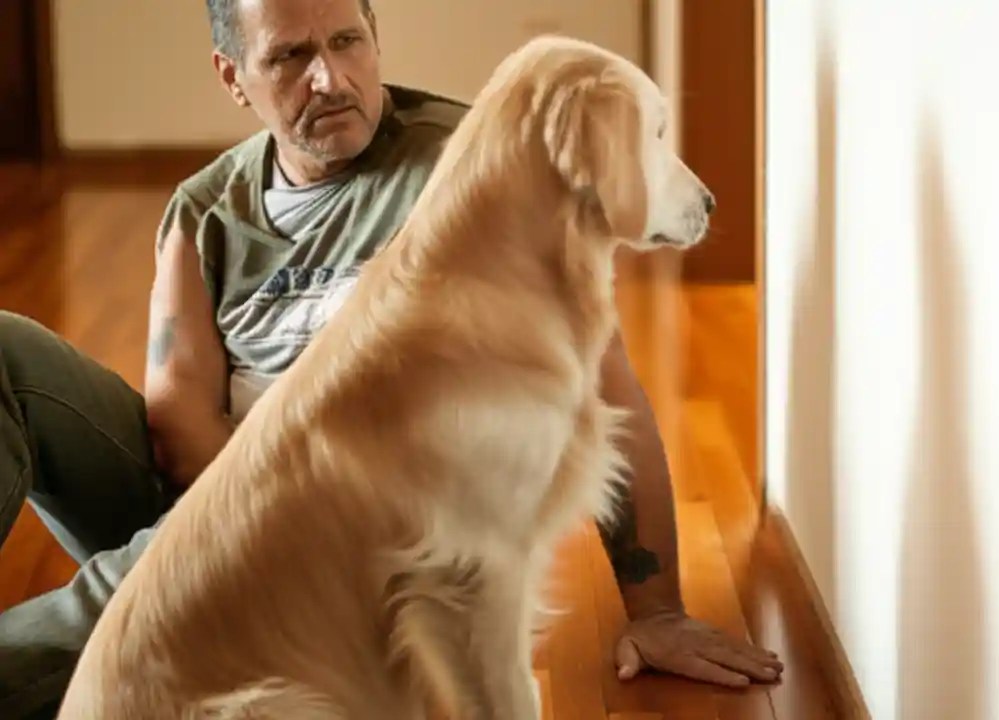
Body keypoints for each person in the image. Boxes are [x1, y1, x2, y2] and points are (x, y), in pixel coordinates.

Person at [0, 0, 783, 716]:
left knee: (93, 656)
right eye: (289, 57)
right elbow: (176, 424)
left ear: (376, 37)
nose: (330, 77)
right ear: (233, 77)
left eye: (348, 42)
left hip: (351, 528)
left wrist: (658, 610)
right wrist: (255, 527)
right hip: (228, 501)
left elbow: (601, 392)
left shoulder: (472, 170)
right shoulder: (206, 207)